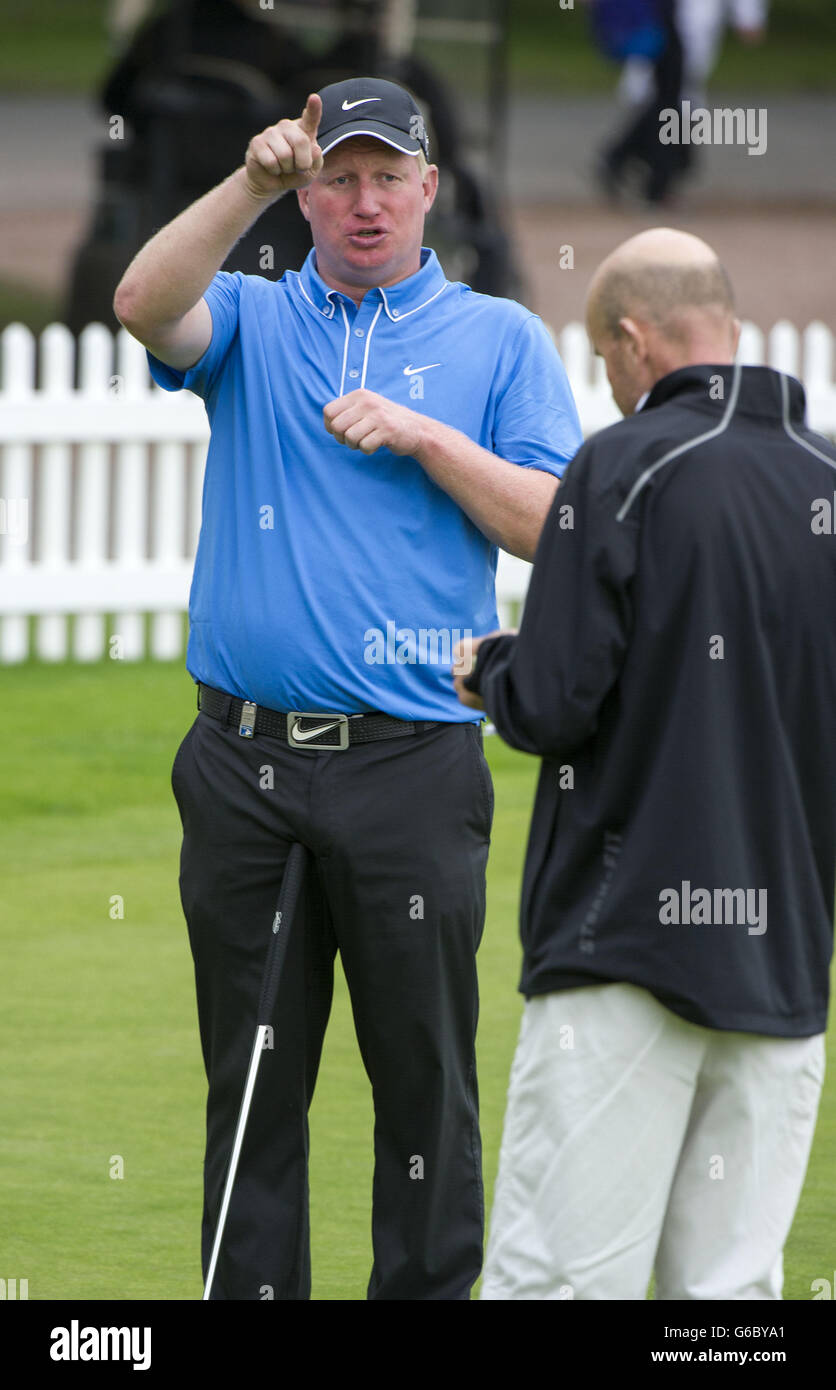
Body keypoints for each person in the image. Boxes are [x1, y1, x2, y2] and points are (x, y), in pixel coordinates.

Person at [113, 75, 582, 1301]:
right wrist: (246, 181)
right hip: (242, 769)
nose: (363, 202)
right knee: (253, 1078)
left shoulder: (497, 340)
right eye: (338, 177)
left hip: (410, 765)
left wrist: (428, 438)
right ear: (306, 194)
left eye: (387, 177)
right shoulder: (253, 320)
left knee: (423, 1079)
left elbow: (552, 525)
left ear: (430, 187)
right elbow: (140, 302)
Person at [454, 227, 836, 1300]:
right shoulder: (823, 481)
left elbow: (557, 697)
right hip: (783, 963)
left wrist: (492, 670)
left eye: (604, 363)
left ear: (629, 341)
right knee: (724, 1300)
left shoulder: (619, 467)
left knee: (559, 1283)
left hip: (623, 945)